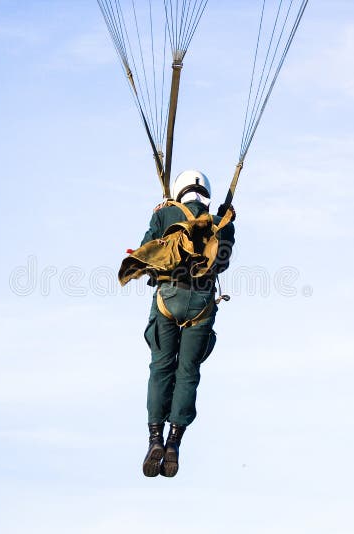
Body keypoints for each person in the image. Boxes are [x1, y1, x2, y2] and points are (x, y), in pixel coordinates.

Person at [134, 170, 236, 478]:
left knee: (161, 366)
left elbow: (146, 252)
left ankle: (155, 438)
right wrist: (225, 223)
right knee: (188, 372)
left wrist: (160, 217)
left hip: (168, 297)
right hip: (201, 304)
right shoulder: (222, 222)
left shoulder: (166, 214)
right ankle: (174, 442)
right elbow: (225, 259)